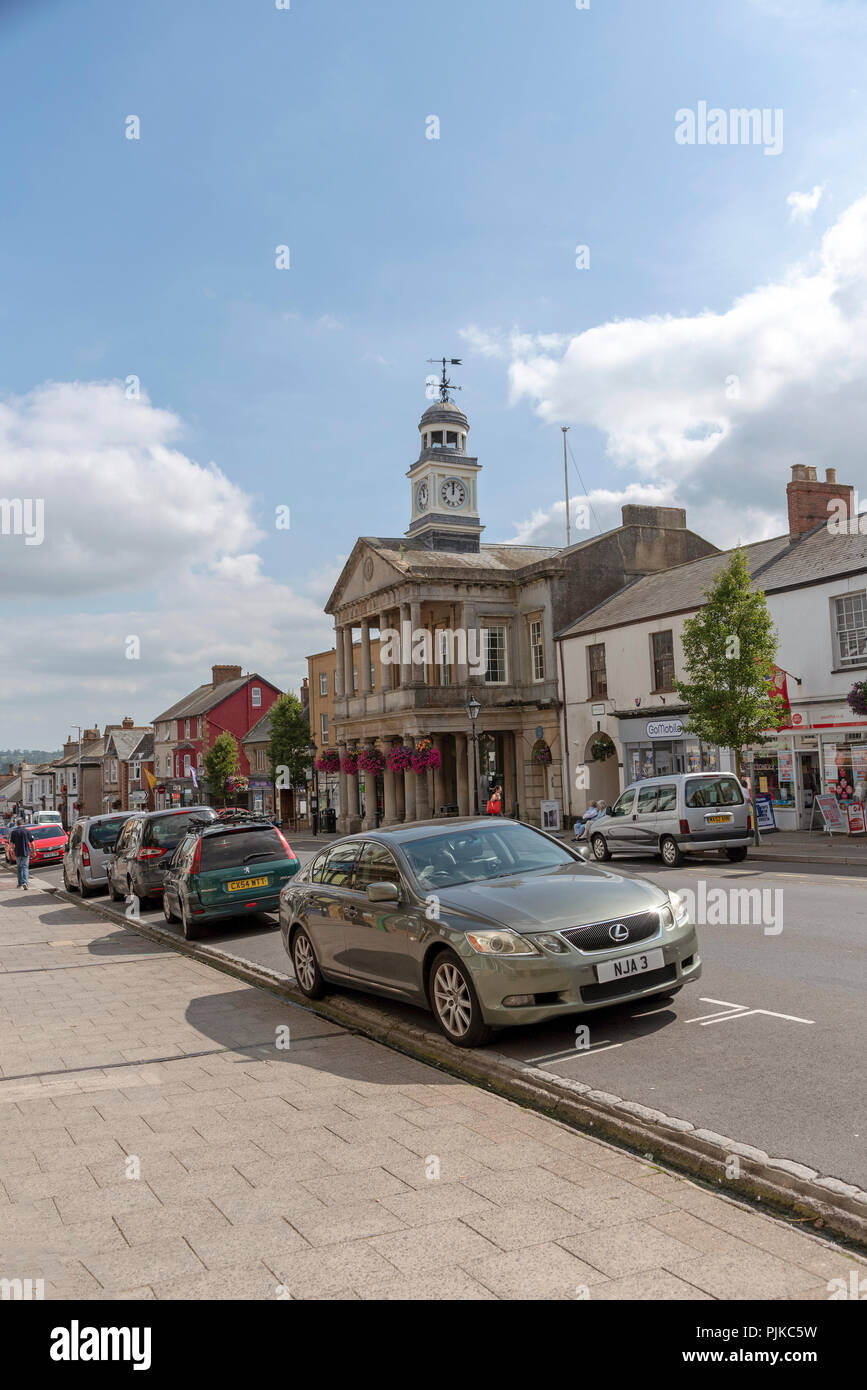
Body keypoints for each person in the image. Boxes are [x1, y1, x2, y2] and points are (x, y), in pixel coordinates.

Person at [10, 817, 31, 889]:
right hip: (26, 852)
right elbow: (32, 842)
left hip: (17, 852)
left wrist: (12, 851)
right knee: (25, 867)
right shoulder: (27, 831)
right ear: (23, 824)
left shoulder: (14, 832)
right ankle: (25, 882)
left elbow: (12, 844)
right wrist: (33, 851)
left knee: (19, 868)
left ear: (17, 824)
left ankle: (19, 884)